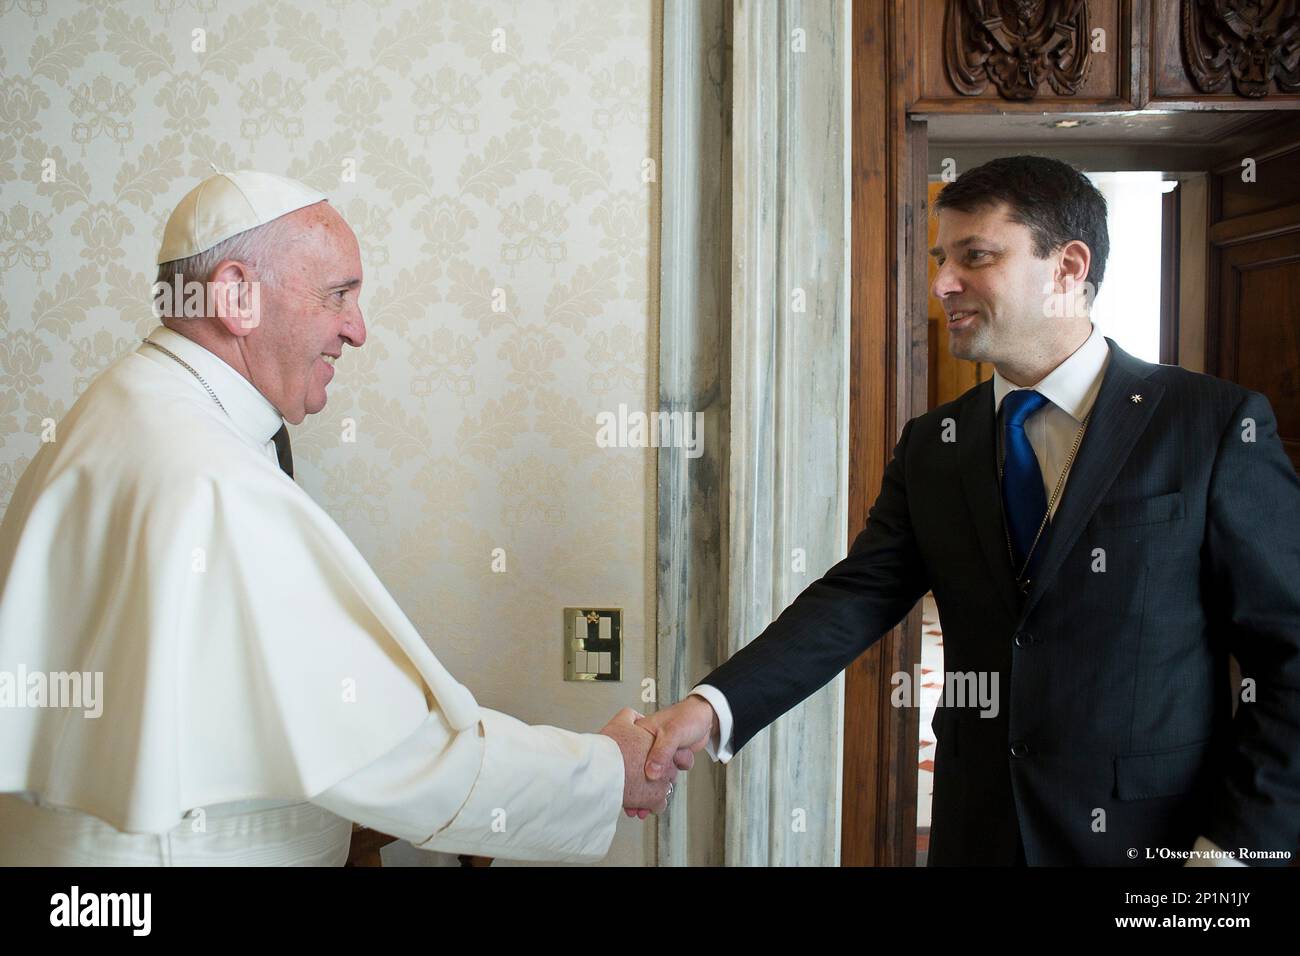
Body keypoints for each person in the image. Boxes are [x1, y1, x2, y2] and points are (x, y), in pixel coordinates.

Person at [632, 156, 1300, 866]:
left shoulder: (1211, 425)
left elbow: (1290, 653)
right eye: (941, 258)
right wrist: (710, 708)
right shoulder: (934, 445)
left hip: (1158, 844)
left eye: (974, 256)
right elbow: (857, 596)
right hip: (975, 831)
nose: (942, 284)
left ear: (1068, 267)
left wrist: (1235, 851)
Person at [0, 169, 676, 866]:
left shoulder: (132, 406)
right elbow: (393, 752)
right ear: (234, 295)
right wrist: (605, 771)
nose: (357, 329)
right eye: (339, 296)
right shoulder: (207, 476)